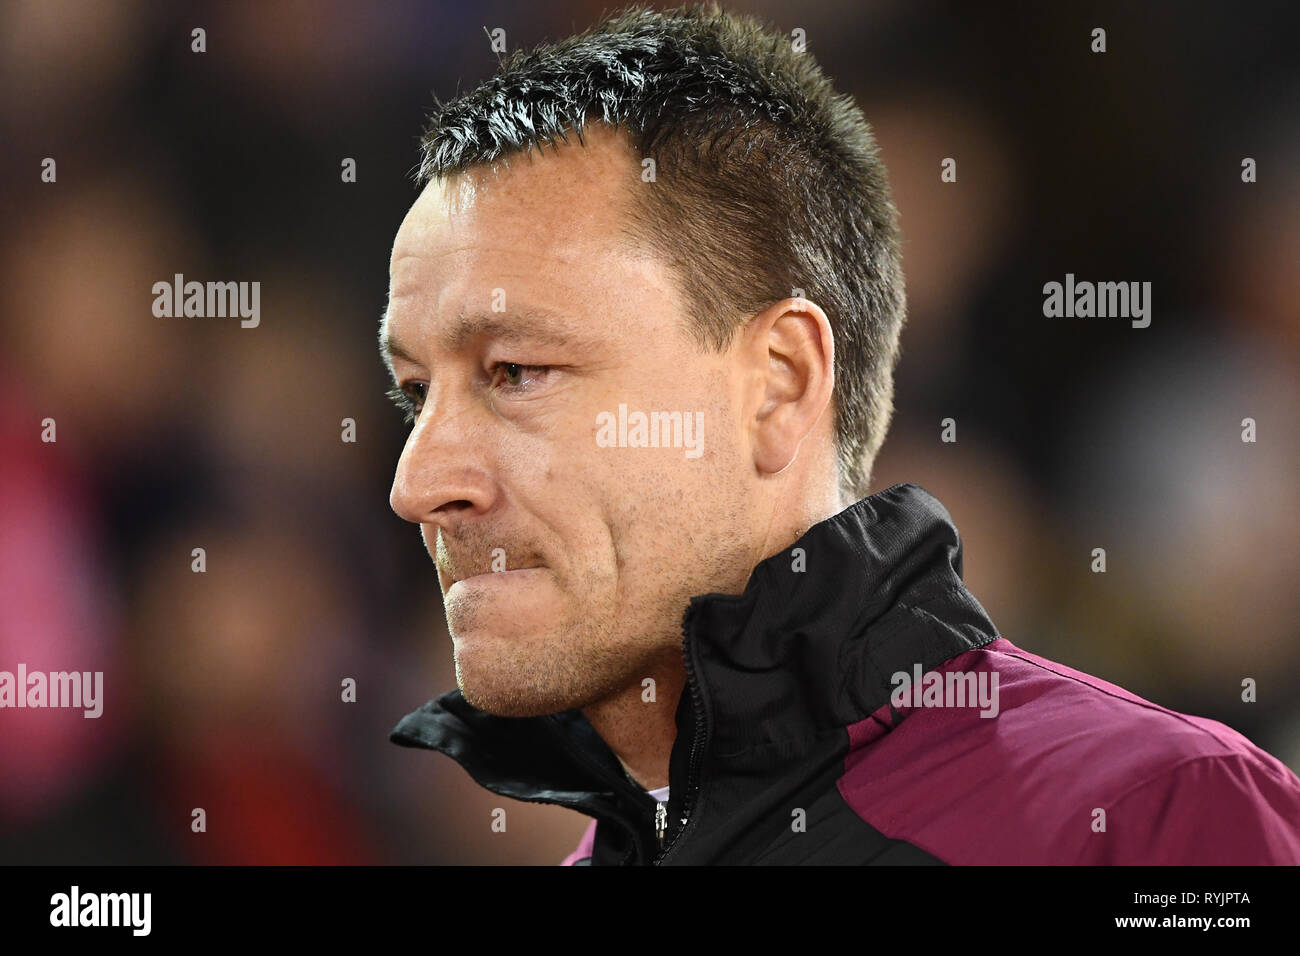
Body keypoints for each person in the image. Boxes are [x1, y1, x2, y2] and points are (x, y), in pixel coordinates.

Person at [380, 3, 1300, 864]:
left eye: (516, 373)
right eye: (415, 394)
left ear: (779, 385)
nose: (416, 483)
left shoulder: (1160, 818)